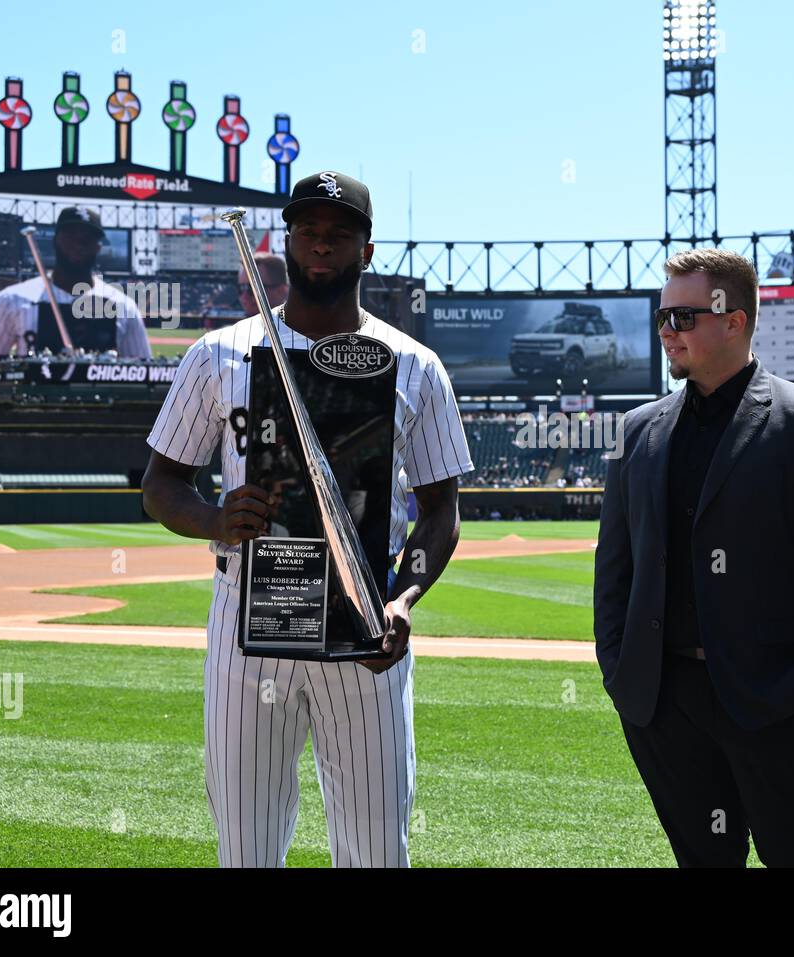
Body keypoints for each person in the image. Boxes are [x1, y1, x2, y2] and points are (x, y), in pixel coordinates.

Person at [141, 170, 473, 867]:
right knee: (247, 844)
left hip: (364, 625)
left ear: (367, 250)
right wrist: (214, 518)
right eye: (308, 232)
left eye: (340, 235)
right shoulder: (217, 355)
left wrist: (405, 597)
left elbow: (441, 511)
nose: (322, 247)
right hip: (247, 617)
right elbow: (162, 483)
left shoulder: (415, 365)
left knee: (378, 847)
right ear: (286, 242)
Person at [594, 248, 794, 867]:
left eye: (684, 318)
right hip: (665, 703)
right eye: (663, 318)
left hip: (782, 700)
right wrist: (620, 671)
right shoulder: (637, 430)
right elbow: (615, 567)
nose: (668, 331)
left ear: (735, 320)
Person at [0, 207, 150, 359]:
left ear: (98, 247)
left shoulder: (123, 306)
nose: (78, 244)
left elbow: (145, 371)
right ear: (55, 240)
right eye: (70, 237)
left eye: (87, 239)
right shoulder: (12, 299)